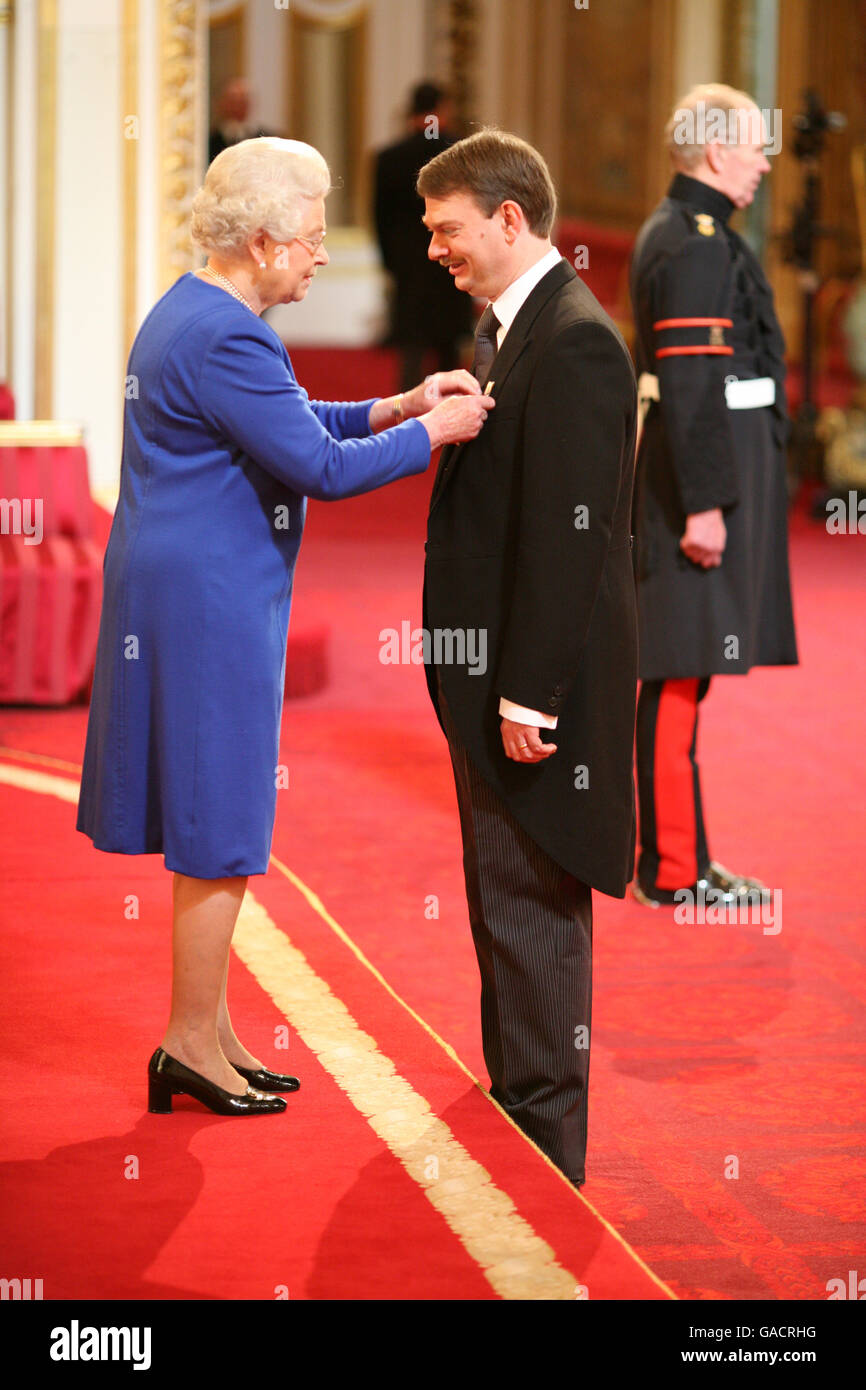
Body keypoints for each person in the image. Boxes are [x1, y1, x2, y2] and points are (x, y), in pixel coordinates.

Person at [76, 137, 492, 1119]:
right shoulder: (229, 334)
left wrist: (395, 401)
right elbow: (320, 468)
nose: (320, 256)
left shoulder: (196, 310)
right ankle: (188, 1040)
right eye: (309, 240)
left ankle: (208, 1029)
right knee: (219, 824)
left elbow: (289, 421)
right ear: (261, 242)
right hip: (207, 601)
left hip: (185, 587)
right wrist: (431, 432)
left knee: (213, 816)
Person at [416, 130, 638, 1187]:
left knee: (532, 908)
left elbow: (571, 537)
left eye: (446, 229)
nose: (434, 249)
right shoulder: (513, 327)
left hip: (529, 692)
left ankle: (546, 1153)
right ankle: (515, 1108)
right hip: (490, 683)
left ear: (509, 219)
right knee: (498, 900)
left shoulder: (577, 340)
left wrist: (526, 695)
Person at [629, 85, 798, 909]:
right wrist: (703, 505)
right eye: (754, 145)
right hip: (696, 485)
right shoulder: (694, 242)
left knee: (688, 671)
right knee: (679, 671)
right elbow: (692, 384)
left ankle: (682, 854)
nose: (765, 160)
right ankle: (670, 869)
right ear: (714, 150)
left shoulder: (699, 232)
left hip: (705, 474)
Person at [373, 82, 473, 391]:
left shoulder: (388, 157)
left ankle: (405, 413)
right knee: (449, 349)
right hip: (452, 261)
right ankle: (454, 410)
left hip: (408, 268)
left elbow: (380, 218)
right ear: (442, 109)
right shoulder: (460, 155)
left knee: (411, 350)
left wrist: (390, 264)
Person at [208, 77, 274, 164]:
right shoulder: (209, 142)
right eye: (232, 101)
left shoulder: (268, 140)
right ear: (221, 104)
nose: (237, 107)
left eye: (242, 101)